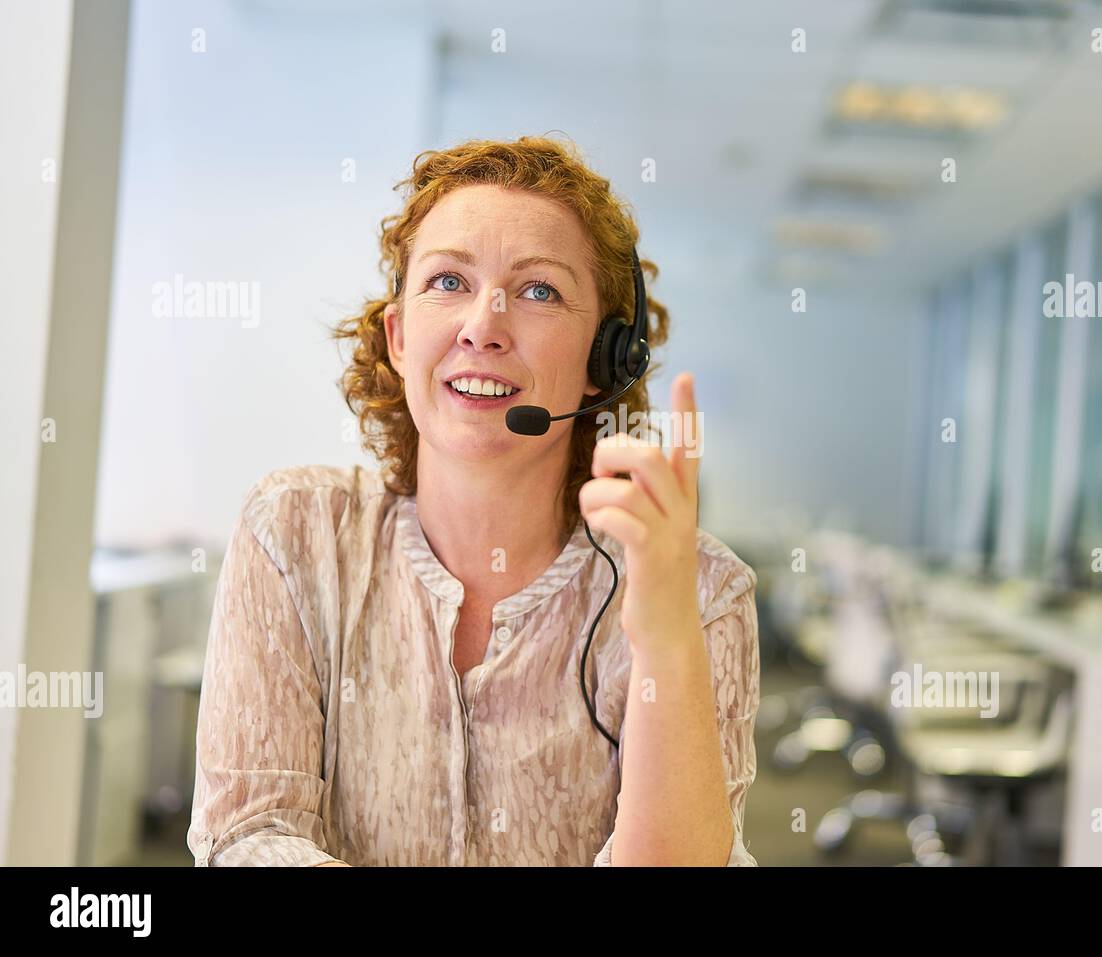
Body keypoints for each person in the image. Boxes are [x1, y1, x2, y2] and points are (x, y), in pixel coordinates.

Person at [186, 136, 760, 866]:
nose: (482, 326)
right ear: (397, 335)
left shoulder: (700, 587)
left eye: (539, 291)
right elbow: (247, 837)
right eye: (448, 281)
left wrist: (667, 638)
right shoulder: (296, 535)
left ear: (603, 360)